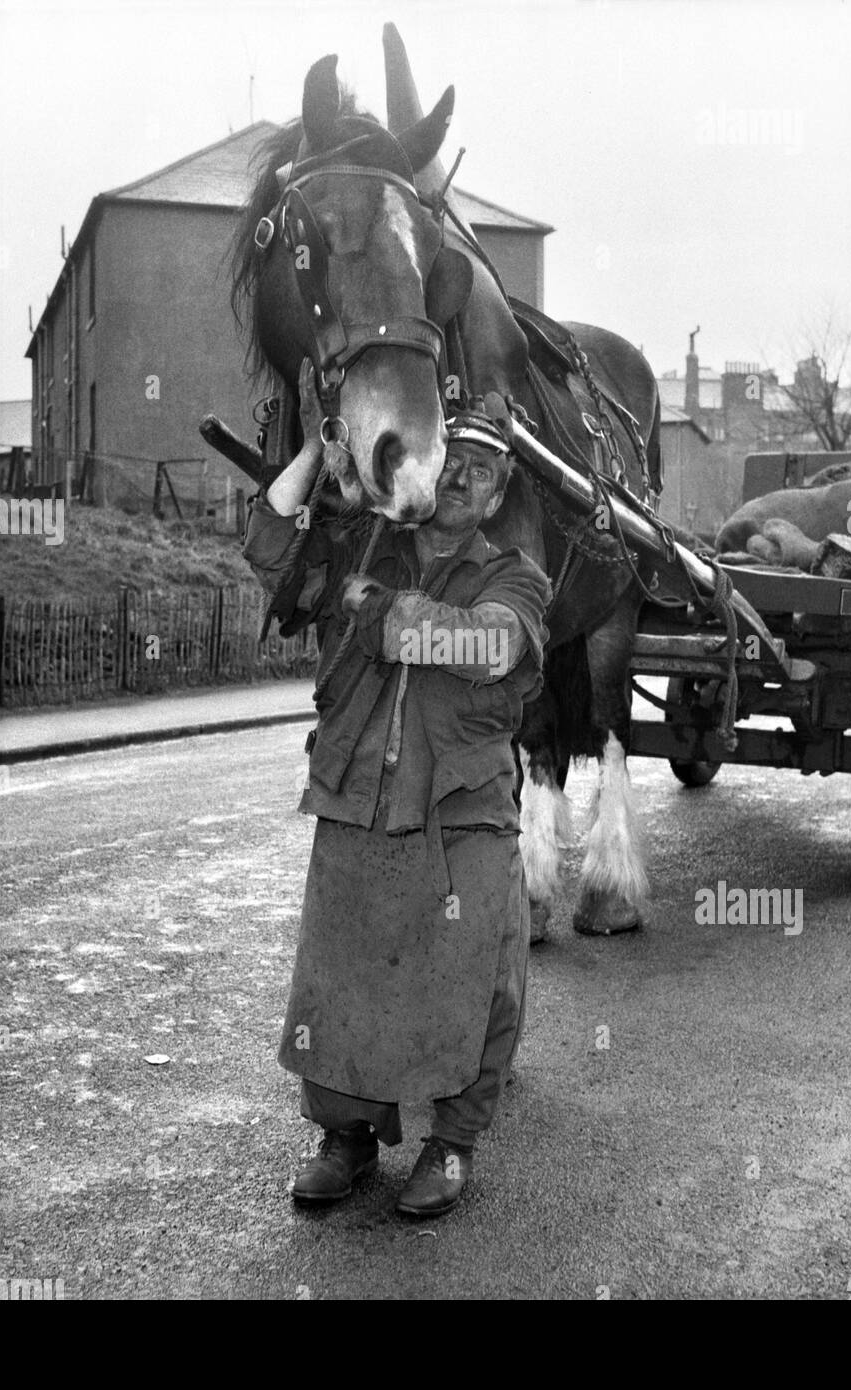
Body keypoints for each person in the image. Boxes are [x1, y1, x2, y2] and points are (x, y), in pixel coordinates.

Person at [242, 365, 551, 1217]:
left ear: (496, 497)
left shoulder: (518, 577)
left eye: (481, 471)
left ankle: (452, 1145)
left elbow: (487, 647)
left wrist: (380, 615)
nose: (459, 478)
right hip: (354, 795)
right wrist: (317, 449)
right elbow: (270, 549)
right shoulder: (361, 544)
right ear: (429, 456)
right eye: (453, 457)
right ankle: (345, 1136)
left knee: (474, 983)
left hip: (461, 813)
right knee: (341, 976)